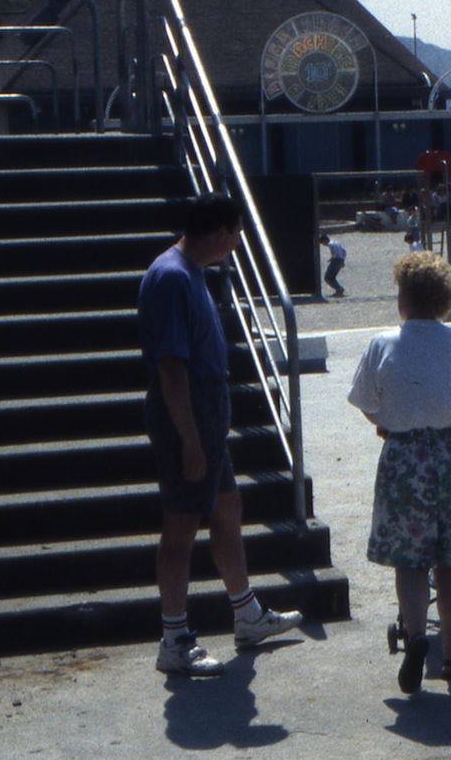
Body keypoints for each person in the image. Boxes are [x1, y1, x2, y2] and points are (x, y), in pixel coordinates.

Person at [140, 193, 305, 676]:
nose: (236, 245)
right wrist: (189, 439)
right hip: (186, 416)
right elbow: (171, 367)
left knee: (227, 506)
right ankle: (174, 638)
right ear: (220, 232)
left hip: (206, 415)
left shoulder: (189, 273)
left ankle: (246, 613)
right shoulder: (172, 277)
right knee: (182, 525)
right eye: (235, 235)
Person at [350, 251, 451, 692]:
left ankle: (418, 638)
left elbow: (366, 404)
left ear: (404, 298)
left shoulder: (382, 344)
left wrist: (387, 423)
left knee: (410, 559)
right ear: (441, 299)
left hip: (405, 459)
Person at [319, 233, 347, 297]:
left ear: (325, 240)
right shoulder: (337, 242)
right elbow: (344, 252)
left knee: (328, 277)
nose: (323, 244)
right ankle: (339, 289)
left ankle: (339, 289)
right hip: (340, 260)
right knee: (332, 277)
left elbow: (334, 252)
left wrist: (332, 258)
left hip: (335, 261)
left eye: (322, 242)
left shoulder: (330, 244)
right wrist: (342, 260)